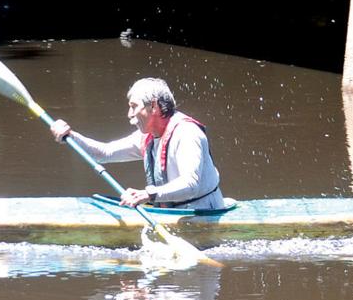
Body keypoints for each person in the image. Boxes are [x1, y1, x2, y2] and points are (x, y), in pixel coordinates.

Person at [49, 77, 226, 210]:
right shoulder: (147, 136)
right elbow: (103, 154)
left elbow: (191, 185)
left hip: (203, 213)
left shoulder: (187, 133)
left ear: (154, 107)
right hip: (171, 214)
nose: (129, 114)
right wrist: (70, 135)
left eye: (134, 106)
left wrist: (147, 194)